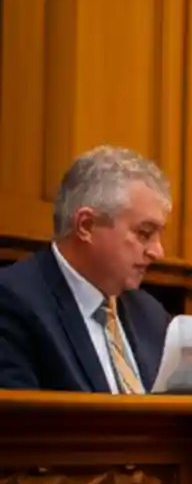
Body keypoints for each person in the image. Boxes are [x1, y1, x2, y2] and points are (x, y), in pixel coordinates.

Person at [0, 145, 171, 392]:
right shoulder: (13, 303)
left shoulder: (150, 315)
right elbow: (20, 424)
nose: (158, 252)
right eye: (144, 233)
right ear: (86, 226)